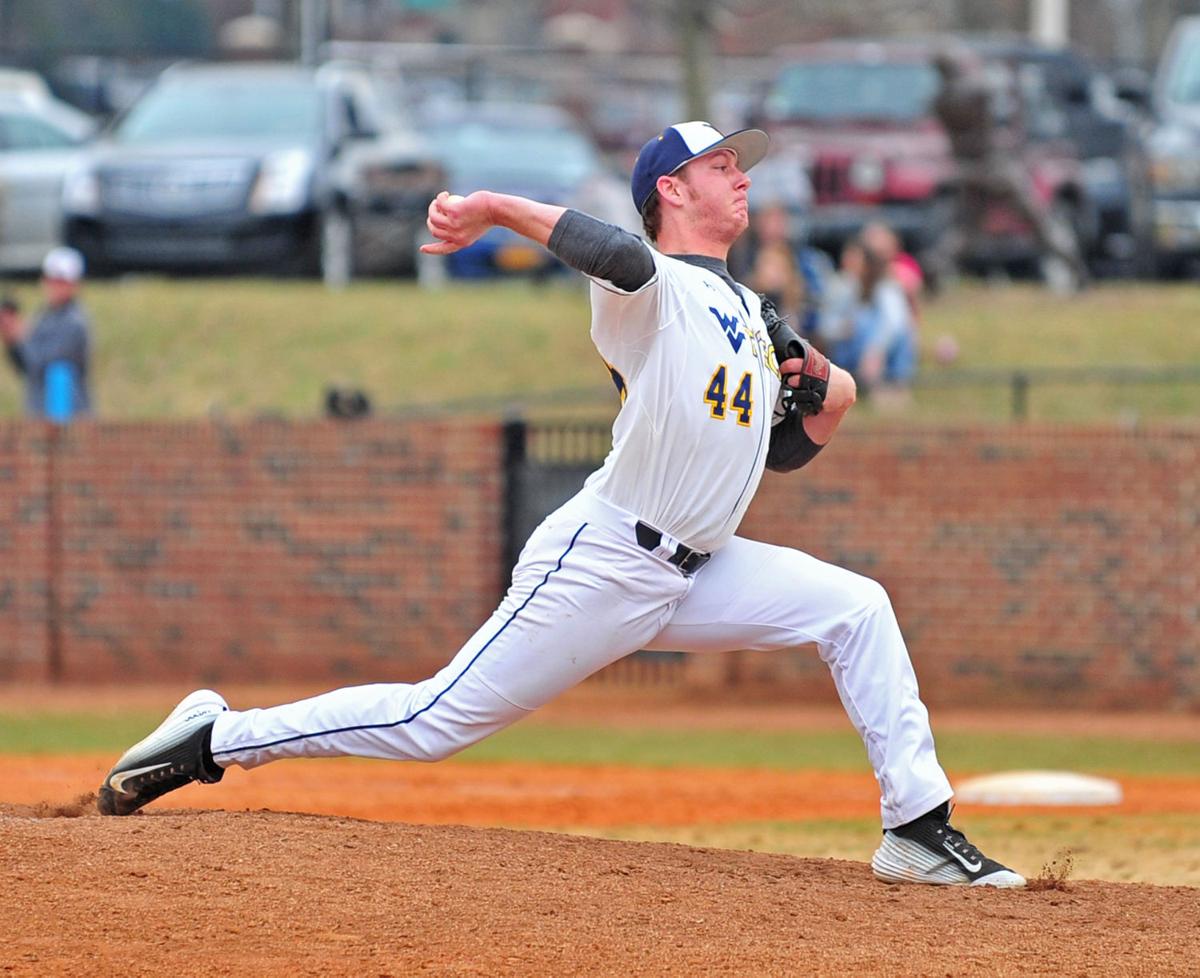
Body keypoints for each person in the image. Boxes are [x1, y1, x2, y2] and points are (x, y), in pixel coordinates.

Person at [96, 121, 1024, 889]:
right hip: (605, 557)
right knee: (434, 722)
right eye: (721, 165)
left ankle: (918, 828)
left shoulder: (746, 308)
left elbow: (777, 457)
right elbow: (611, 253)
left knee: (857, 606)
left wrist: (836, 398)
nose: (742, 178)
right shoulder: (653, 293)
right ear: (670, 189)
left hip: (699, 569)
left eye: (742, 165)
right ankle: (214, 738)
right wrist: (495, 207)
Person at [929, 46, 1087, 293]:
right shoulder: (974, 90)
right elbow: (996, 92)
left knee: (966, 230)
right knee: (1038, 221)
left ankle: (937, 265)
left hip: (969, 169)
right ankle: (1074, 266)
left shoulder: (940, 101)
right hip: (996, 168)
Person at [0, 246, 93, 420]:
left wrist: (20, 337)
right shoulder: (43, 317)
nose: (55, 287)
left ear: (75, 284)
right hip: (40, 417)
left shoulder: (75, 323)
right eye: (52, 280)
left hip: (69, 420)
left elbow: (41, 364)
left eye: (62, 281)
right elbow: (25, 367)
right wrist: (11, 339)